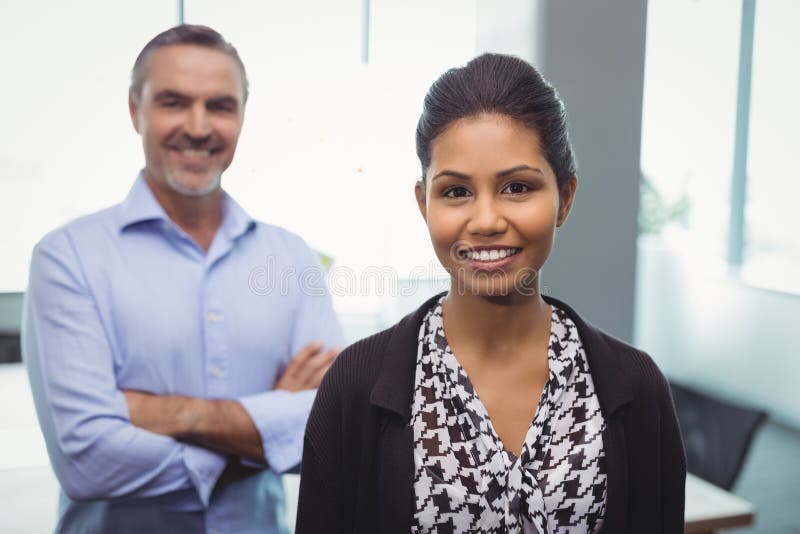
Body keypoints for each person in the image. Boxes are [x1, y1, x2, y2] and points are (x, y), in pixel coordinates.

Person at [296, 53, 686, 533]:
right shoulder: (355, 386)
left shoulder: (636, 386)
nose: (485, 221)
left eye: (517, 187)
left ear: (565, 197)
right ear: (424, 204)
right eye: (456, 192)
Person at [22, 24, 344, 533]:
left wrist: (164, 414)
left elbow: (332, 434)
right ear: (136, 110)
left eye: (220, 106)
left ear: (241, 116)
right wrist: (269, 423)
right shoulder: (68, 259)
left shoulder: (290, 259)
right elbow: (87, 459)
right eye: (174, 102)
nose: (198, 127)